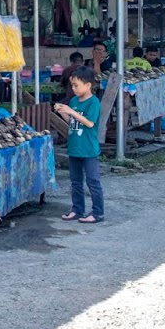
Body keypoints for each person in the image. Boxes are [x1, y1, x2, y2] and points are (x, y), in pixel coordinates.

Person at [55, 66, 104, 223]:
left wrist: (71, 111)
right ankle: (77, 209)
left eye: (77, 85)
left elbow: (89, 123)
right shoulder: (74, 101)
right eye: (72, 85)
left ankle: (98, 212)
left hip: (89, 149)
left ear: (88, 85)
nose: (74, 89)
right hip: (74, 147)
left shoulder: (93, 102)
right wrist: (63, 112)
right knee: (75, 182)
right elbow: (73, 123)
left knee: (92, 181)